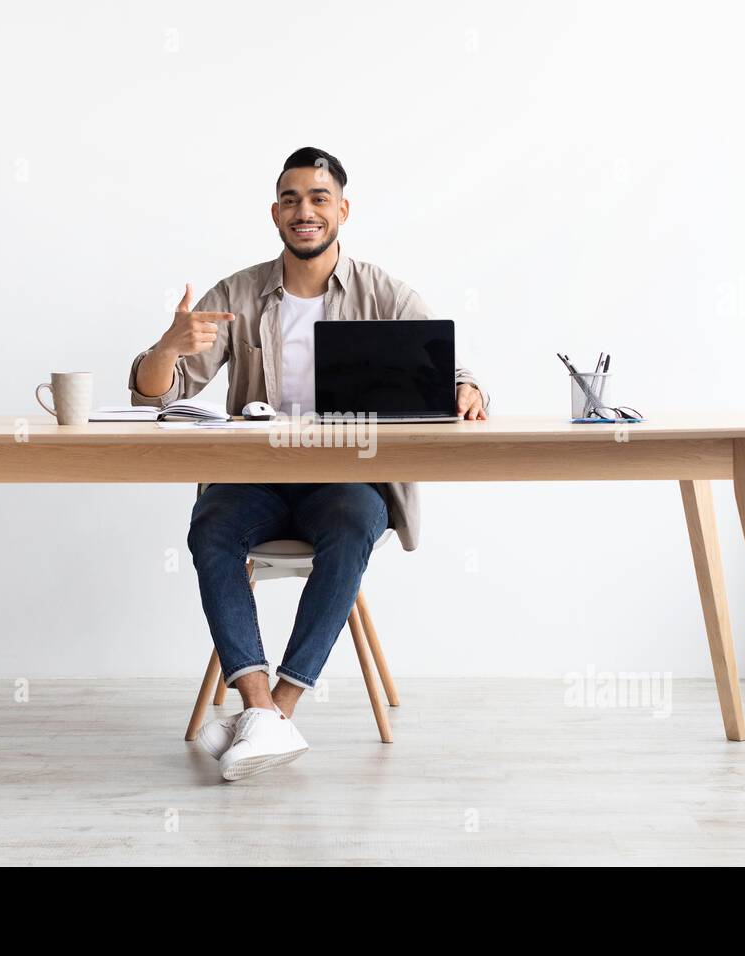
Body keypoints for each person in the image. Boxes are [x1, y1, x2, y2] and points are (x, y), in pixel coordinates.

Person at [128, 147, 489, 780]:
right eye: (292, 199)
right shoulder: (237, 292)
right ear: (275, 213)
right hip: (255, 477)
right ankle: (257, 703)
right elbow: (157, 390)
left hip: (344, 478)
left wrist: (470, 391)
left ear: (342, 210)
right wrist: (167, 345)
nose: (305, 211)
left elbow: (449, 372)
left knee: (354, 520)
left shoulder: (384, 291)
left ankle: (277, 710)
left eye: (319, 198)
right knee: (210, 524)